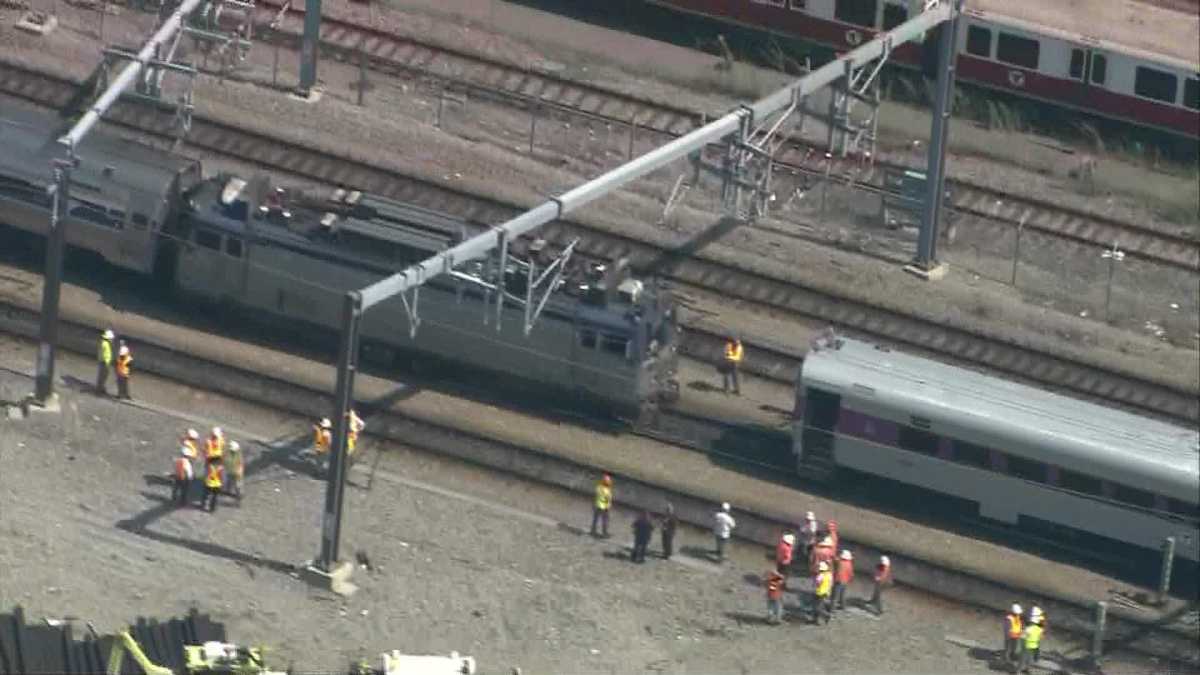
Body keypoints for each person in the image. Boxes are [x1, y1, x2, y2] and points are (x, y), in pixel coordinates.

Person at [96, 329, 114, 396]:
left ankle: (101, 388)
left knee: (103, 376)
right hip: (104, 363)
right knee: (102, 376)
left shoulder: (105, 343)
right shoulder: (105, 344)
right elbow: (104, 354)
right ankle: (99, 389)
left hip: (105, 362)